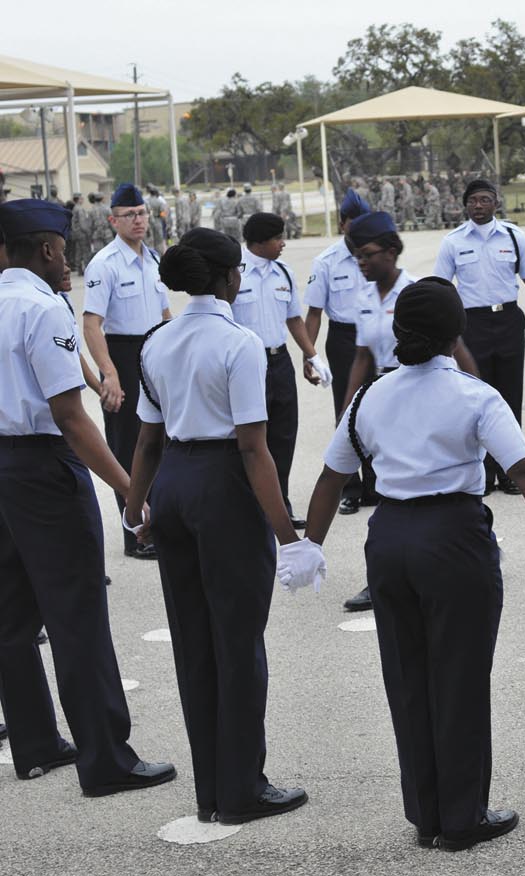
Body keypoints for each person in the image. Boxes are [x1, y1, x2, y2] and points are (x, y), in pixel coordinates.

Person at [301, 278, 525, 851]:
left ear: (397, 334)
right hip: (453, 538)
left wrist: (307, 546)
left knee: (407, 678)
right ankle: (464, 817)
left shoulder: (370, 395)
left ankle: (427, 815)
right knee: (459, 677)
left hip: (389, 539)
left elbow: (330, 477)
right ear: (456, 332)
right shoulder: (474, 395)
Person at [123, 227, 307, 825]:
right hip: (223, 486)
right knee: (238, 641)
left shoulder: (156, 341)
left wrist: (134, 508)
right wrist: (287, 534)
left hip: (173, 483)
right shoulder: (241, 342)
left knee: (194, 643)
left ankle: (211, 792)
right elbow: (254, 448)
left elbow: (148, 439)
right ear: (230, 278)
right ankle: (243, 788)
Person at [0, 198, 176, 797]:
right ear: (48, 249)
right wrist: (132, 493)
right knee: (76, 616)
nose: (67, 260)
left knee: (10, 616)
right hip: (44, 469)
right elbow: (72, 419)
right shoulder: (43, 307)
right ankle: (107, 762)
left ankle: (36, 744)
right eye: (63, 249)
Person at [433, 179, 525, 495]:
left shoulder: (515, 238)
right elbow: (440, 289)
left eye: (485, 199)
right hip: (471, 326)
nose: (478, 205)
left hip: (508, 321)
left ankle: (508, 471)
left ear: (496, 203)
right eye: (473, 200)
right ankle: (480, 473)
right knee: (475, 397)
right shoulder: (453, 242)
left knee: (508, 396)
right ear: (466, 205)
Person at [82, 182, 172, 560]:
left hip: (155, 350)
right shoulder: (105, 264)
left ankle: (159, 521)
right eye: (128, 215)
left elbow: (166, 314)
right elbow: (91, 323)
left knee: (161, 439)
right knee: (128, 444)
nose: (137, 220)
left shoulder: (153, 259)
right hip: (123, 354)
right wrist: (110, 374)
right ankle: (135, 530)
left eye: (141, 213)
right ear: (112, 221)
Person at [337, 211, 418, 609]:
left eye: (367, 254)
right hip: (380, 397)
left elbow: (454, 349)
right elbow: (361, 357)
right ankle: (381, 578)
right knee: (384, 491)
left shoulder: (416, 292)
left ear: (391, 251)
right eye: (356, 257)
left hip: (418, 396)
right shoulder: (363, 297)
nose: (362, 262)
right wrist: (348, 410)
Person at [234, 213, 329, 528]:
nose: (283, 243)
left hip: (279, 363)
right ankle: (251, 508)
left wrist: (312, 356)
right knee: (250, 440)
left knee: (283, 437)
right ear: (260, 242)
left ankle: (280, 505)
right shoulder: (235, 273)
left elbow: (294, 320)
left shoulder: (284, 273)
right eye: (278, 238)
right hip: (247, 365)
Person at [305, 190, 371, 512]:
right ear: (342, 224)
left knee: (382, 409)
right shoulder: (326, 262)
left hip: (378, 339)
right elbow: (314, 313)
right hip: (344, 341)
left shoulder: (380, 254)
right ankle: (350, 486)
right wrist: (309, 355)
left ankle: (377, 484)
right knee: (347, 414)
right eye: (352, 224)